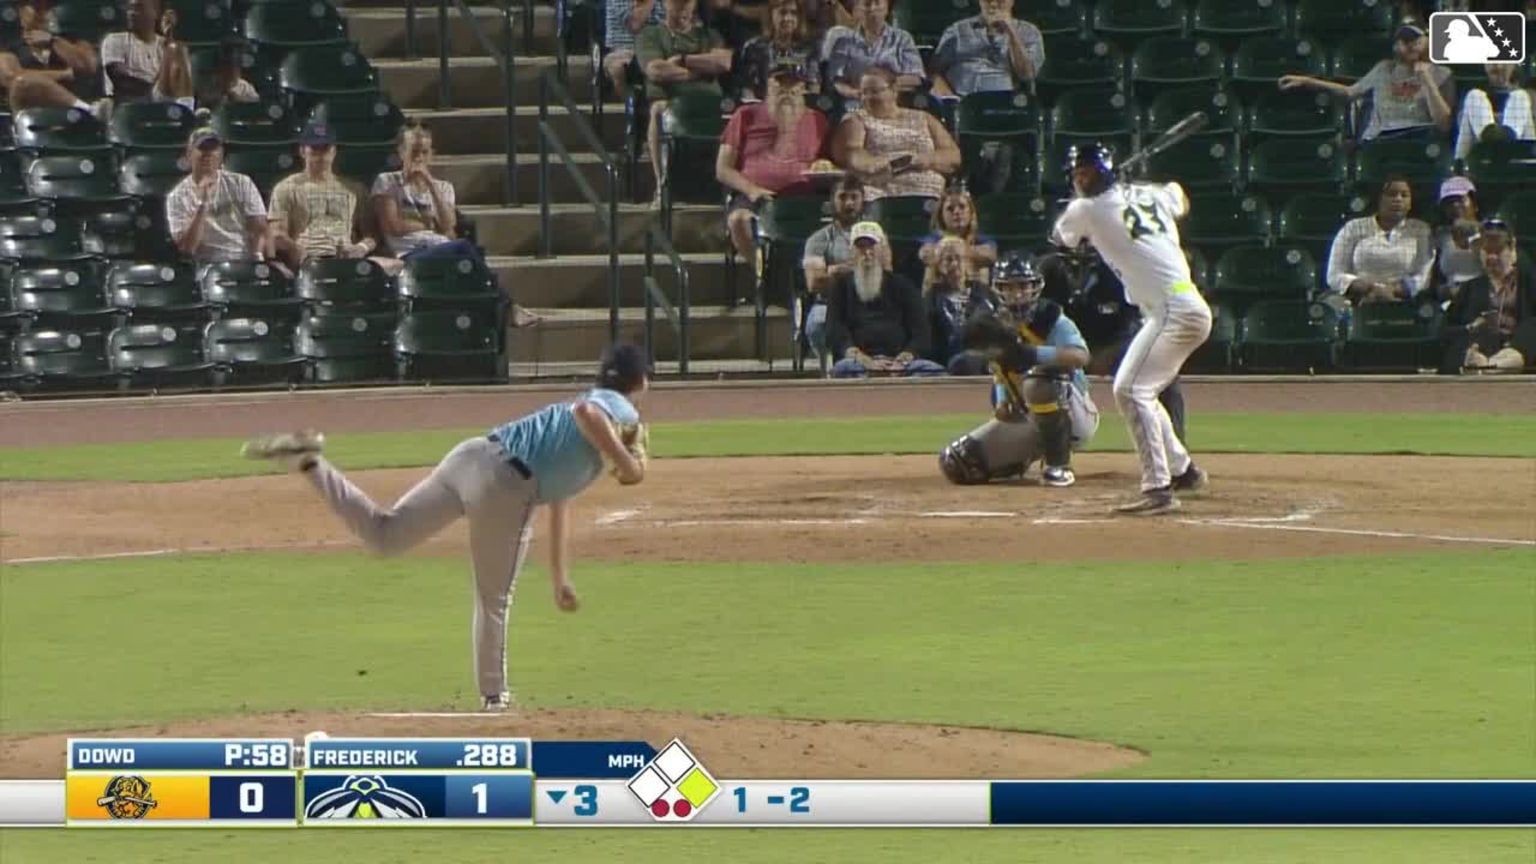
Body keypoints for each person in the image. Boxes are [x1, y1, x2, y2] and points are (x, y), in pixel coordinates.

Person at [239, 344, 654, 712]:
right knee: (494, 599)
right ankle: (495, 697)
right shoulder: (617, 408)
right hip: (505, 487)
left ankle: (309, 462)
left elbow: (560, 497)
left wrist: (559, 577)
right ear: (641, 382)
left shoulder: (583, 428)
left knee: (385, 536)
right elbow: (588, 415)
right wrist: (630, 464)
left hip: (471, 458)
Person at [1050, 142, 1210, 515]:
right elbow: (1179, 197)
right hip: (1175, 309)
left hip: (1174, 310)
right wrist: (1136, 188)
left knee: (1132, 391)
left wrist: (1099, 202)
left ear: (1103, 172)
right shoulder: (1151, 194)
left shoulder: (1084, 209)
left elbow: (1060, 238)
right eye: (1077, 173)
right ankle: (1183, 470)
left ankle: (1158, 489)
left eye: (1086, 172)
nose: (1080, 180)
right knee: (1138, 390)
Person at [938, 251, 1099, 487]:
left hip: (1074, 412)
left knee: (1039, 380)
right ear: (998, 288)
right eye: (1010, 287)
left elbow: (1081, 356)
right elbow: (999, 370)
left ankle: (1058, 465)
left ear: (1035, 286)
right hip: (1026, 414)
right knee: (959, 462)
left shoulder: (1050, 317)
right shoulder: (994, 322)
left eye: (1023, 286)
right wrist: (1002, 400)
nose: (1017, 294)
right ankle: (1019, 459)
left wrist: (1033, 354)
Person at [715, 65, 829, 260]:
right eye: (779, 88)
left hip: (804, 197)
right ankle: (763, 271)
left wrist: (823, 165)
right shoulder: (745, 115)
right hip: (754, 195)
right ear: (767, 90)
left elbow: (826, 162)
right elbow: (723, 169)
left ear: (803, 90)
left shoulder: (818, 120)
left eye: (792, 89)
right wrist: (752, 190)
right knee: (739, 220)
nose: (786, 94)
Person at [1278, 21, 1453, 142]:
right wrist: (1307, 81)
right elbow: (1349, 93)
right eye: (1405, 41)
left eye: (1416, 40)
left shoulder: (1442, 74)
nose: (1410, 45)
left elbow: (1444, 124)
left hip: (1418, 139)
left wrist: (1427, 80)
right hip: (1381, 139)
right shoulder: (1383, 69)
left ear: (1427, 41)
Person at [636, 0, 734, 205]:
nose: (683, 7)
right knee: (657, 110)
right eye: (677, 2)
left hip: (711, 105)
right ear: (664, 4)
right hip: (671, 103)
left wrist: (682, 60)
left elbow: (724, 62)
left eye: (688, 3)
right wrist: (700, 71)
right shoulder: (650, 34)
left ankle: (730, 189)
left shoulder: (709, 35)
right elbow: (655, 70)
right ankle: (662, 185)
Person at [825, 220, 945, 376]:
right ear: (851, 252)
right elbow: (834, 332)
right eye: (861, 247)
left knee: (935, 371)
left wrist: (900, 362)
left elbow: (922, 333)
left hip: (902, 364)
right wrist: (865, 361)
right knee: (844, 369)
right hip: (859, 364)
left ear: (882, 249)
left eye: (872, 246)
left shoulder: (903, 285)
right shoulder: (840, 286)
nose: (867, 252)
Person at [831, 66, 962, 201]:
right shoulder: (856, 120)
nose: (868, 97)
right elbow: (852, 155)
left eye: (874, 91)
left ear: (894, 90)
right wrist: (879, 164)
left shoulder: (923, 118)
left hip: (931, 194)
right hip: (882, 193)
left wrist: (925, 159)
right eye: (863, 93)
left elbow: (953, 155)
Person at [268, 119, 377, 271]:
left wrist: (361, 248)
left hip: (346, 257)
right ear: (302, 151)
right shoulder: (286, 188)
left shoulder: (355, 189)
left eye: (325, 149)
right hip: (308, 257)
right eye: (315, 149)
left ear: (334, 151)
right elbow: (277, 233)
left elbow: (371, 234)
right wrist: (296, 251)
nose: (321, 156)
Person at [371, 121, 480, 262]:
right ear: (401, 152)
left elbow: (448, 224)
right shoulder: (387, 181)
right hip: (409, 252)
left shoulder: (443, 187)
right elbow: (393, 226)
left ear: (432, 154)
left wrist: (430, 184)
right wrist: (429, 224)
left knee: (465, 253)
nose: (419, 158)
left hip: (441, 247)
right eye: (413, 152)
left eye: (424, 152)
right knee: (464, 250)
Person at [1440, 219, 1535, 373]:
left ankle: (1490, 366)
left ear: (1512, 250)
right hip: (1480, 347)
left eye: (1498, 251)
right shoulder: (1470, 288)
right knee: (1466, 352)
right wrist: (1472, 327)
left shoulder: (1529, 282)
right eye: (1487, 251)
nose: (1491, 257)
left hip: (1517, 348)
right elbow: (1447, 329)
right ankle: (1483, 365)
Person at [165, 127, 272, 264]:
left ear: (221, 155)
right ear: (189, 154)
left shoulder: (241, 183)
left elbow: (259, 227)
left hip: (244, 259)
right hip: (206, 264)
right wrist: (203, 204)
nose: (208, 154)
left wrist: (257, 258)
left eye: (213, 149)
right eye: (202, 149)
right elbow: (187, 248)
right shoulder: (177, 197)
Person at [1323, 175, 1434, 306]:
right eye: (1392, 194)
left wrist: (1392, 290)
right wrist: (1369, 288)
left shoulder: (1421, 229)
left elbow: (1422, 277)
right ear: (1379, 198)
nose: (1398, 199)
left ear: (1410, 203)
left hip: (1404, 300)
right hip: (1357, 298)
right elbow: (1334, 274)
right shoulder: (1353, 227)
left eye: (1404, 195)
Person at [801, 175, 868, 361]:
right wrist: (858, 270)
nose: (849, 203)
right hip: (829, 304)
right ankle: (830, 371)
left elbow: (886, 275)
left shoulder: (877, 235)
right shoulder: (818, 239)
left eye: (854, 197)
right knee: (817, 323)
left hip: (869, 304)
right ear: (832, 201)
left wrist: (835, 270)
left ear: (863, 201)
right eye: (843, 197)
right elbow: (815, 283)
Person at [0, 0, 104, 115]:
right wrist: (65, 74)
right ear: (22, 13)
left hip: (72, 114)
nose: (44, 13)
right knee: (22, 83)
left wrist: (53, 41)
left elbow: (89, 67)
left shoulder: (71, 41)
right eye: (37, 8)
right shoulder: (9, 48)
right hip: (29, 114)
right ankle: (88, 109)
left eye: (48, 8)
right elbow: (12, 77)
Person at [930, 0, 1044, 100]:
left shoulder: (1028, 32)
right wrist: (949, 99)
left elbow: (1026, 74)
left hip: (1005, 104)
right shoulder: (957, 30)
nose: (993, 4)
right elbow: (934, 72)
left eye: (1000, 0)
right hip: (962, 102)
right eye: (988, 0)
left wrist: (1011, 30)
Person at [99, 0, 194, 108]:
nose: (131, 13)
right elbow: (120, 80)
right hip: (130, 102)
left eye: (138, 8)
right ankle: (186, 110)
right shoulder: (114, 40)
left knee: (179, 49)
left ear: (156, 12)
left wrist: (169, 36)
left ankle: (187, 110)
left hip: (162, 99)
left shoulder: (165, 44)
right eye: (130, 8)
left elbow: (176, 77)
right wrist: (155, 88)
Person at [823, 0, 924, 101]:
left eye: (877, 3)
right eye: (867, 4)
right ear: (857, 10)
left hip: (895, 100)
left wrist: (880, 86)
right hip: (856, 101)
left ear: (887, 8)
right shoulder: (843, 42)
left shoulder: (902, 38)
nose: (872, 9)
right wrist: (855, 93)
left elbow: (916, 77)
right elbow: (837, 81)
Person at [923, 235, 993, 374]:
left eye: (959, 258)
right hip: (945, 364)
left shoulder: (985, 293)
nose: (955, 264)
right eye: (948, 259)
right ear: (939, 265)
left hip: (985, 361)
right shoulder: (932, 299)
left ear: (968, 262)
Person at [736, 0, 821, 102]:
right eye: (782, 12)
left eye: (794, 13)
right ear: (770, 15)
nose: (788, 18)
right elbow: (747, 89)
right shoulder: (754, 47)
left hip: (798, 107)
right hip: (762, 106)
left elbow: (813, 88)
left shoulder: (809, 49)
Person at [1453, 63, 1534, 160]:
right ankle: (1492, 136)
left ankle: (1504, 137)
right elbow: (1464, 140)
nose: (1499, 66)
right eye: (1493, 60)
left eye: (1503, 61)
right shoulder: (1473, 97)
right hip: (1482, 159)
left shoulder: (1523, 96)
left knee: (1520, 96)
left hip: (1517, 160)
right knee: (1474, 95)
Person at [917, 187, 997, 272]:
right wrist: (967, 252)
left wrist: (953, 250)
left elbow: (990, 255)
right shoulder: (933, 238)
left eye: (962, 207)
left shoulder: (981, 239)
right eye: (950, 209)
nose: (956, 212)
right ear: (941, 215)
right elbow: (925, 254)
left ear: (971, 212)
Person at [1431, 175, 1485, 299]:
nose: (1455, 205)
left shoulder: (1491, 231)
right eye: (1449, 202)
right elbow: (1435, 281)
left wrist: (1475, 231)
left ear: (1474, 204)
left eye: (1460, 200)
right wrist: (1443, 291)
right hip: (1451, 301)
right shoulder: (1441, 237)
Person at [602, 0, 665, 100]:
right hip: (625, 50)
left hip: (659, 46)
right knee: (618, 68)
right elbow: (635, 24)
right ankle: (633, 103)